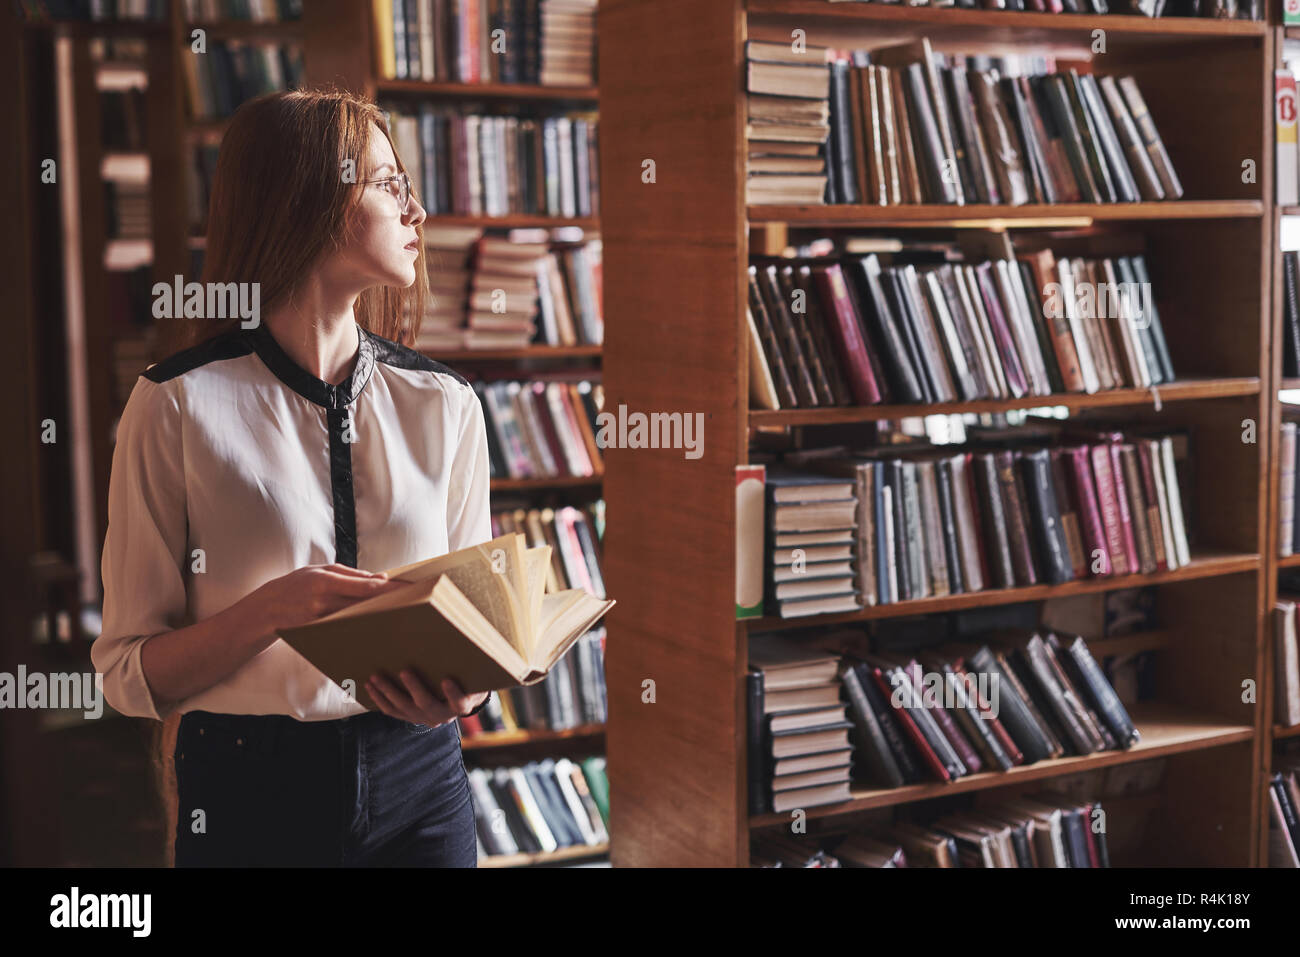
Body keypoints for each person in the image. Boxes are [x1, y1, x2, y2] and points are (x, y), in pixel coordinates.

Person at [92, 89, 492, 867]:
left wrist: (465, 691)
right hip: (249, 785)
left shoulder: (446, 404)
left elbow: (475, 634)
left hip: (424, 777)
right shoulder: (176, 405)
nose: (415, 213)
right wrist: (272, 611)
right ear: (310, 199)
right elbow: (127, 673)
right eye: (387, 185)